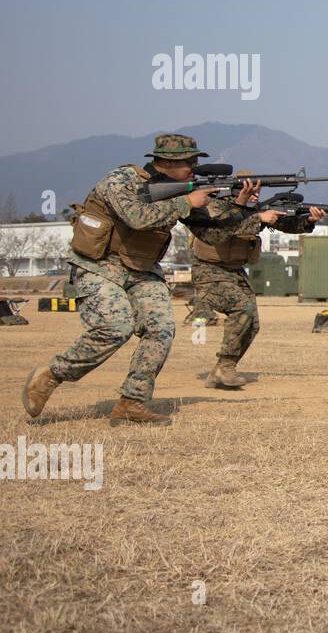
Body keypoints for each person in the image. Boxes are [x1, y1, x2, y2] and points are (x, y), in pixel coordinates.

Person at [22, 134, 219, 425]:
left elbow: (212, 237)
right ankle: (51, 375)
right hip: (99, 264)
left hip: (142, 269)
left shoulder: (183, 191)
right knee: (115, 328)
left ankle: (132, 402)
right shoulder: (122, 179)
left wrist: (241, 208)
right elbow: (137, 217)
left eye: (195, 161)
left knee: (160, 328)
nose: (194, 168)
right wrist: (186, 203)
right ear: (165, 162)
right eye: (188, 162)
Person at [188, 176, 325, 389]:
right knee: (242, 308)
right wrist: (259, 218)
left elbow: (286, 224)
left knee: (252, 323)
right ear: (236, 191)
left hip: (235, 271)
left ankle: (223, 369)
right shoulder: (214, 206)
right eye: (251, 190)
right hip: (208, 270)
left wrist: (308, 221)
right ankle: (225, 367)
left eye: (258, 190)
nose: (256, 194)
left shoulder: (255, 210)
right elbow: (223, 227)